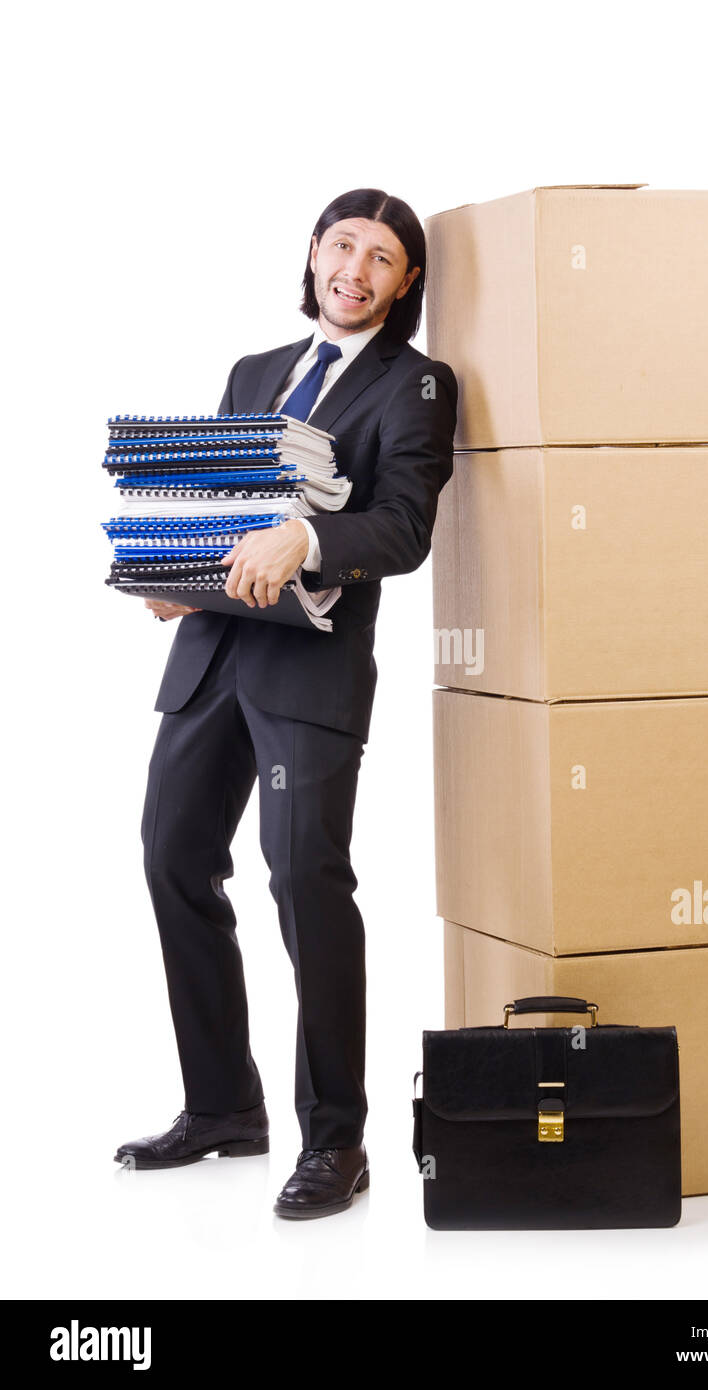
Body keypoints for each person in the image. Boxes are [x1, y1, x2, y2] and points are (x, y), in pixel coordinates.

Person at [113, 188, 458, 1220]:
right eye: (343, 244)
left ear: (404, 286)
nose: (356, 267)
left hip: (308, 670)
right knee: (173, 856)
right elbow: (223, 501)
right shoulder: (255, 373)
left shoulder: (419, 385)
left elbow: (402, 527)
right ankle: (222, 1106)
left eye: (383, 258)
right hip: (213, 648)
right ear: (313, 252)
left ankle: (338, 1139)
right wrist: (175, 572)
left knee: (306, 880)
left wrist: (305, 541)